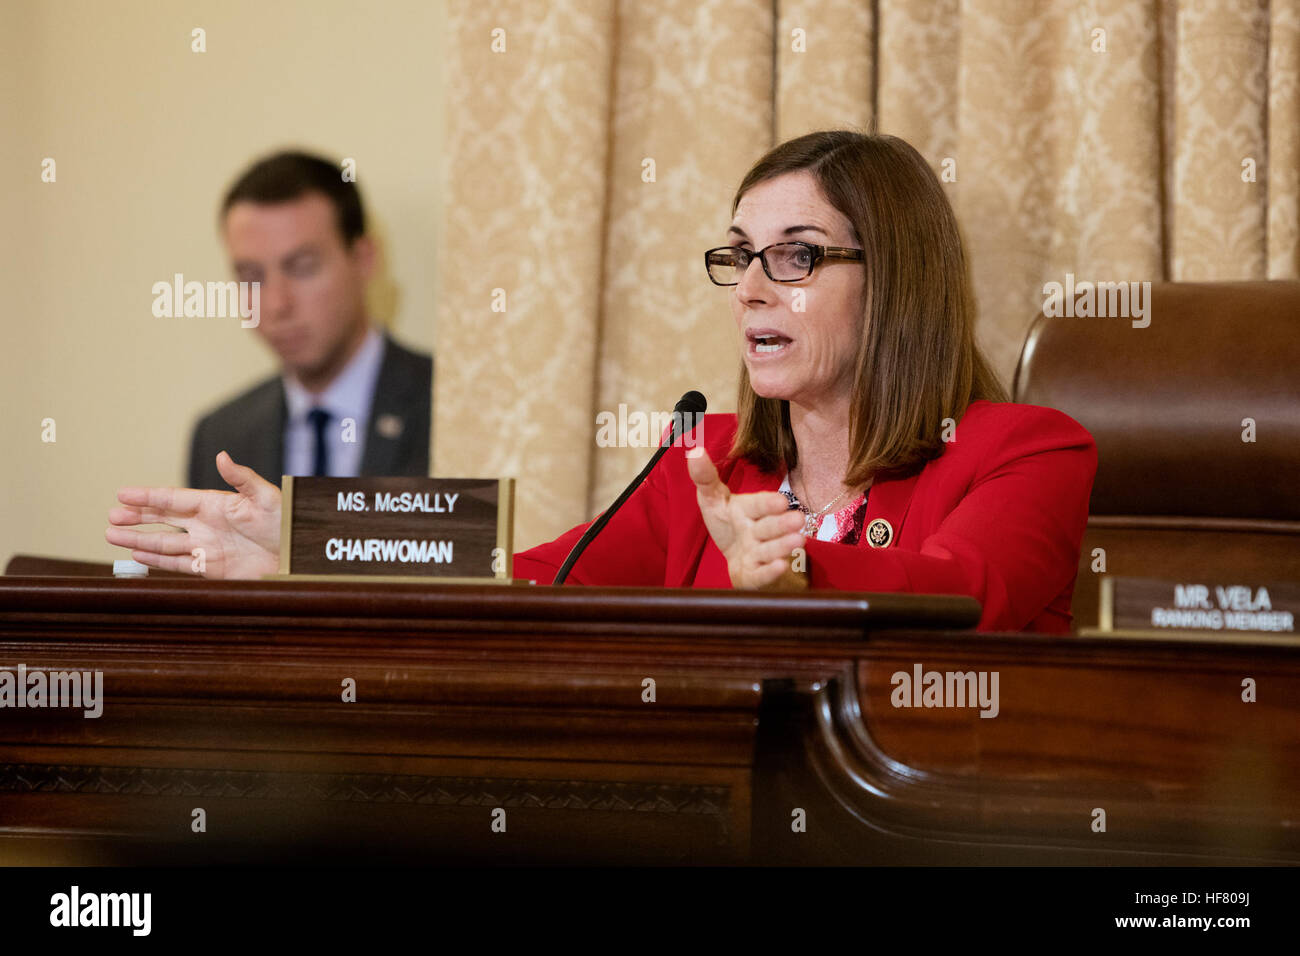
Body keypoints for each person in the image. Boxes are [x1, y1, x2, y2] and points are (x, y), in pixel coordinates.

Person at [107, 131, 1096, 633]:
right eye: (737, 254)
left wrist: (802, 576)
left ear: (896, 281)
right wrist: (313, 542)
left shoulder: (1028, 448)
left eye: (794, 257)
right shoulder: (706, 466)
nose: (749, 286)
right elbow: (534, 575)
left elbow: (969, 592)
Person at [188, 151, 432, 489]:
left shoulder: (450, 406)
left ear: (362, 259)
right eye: (251, 276)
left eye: (303, 267)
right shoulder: (221, 436)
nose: (276, 303)